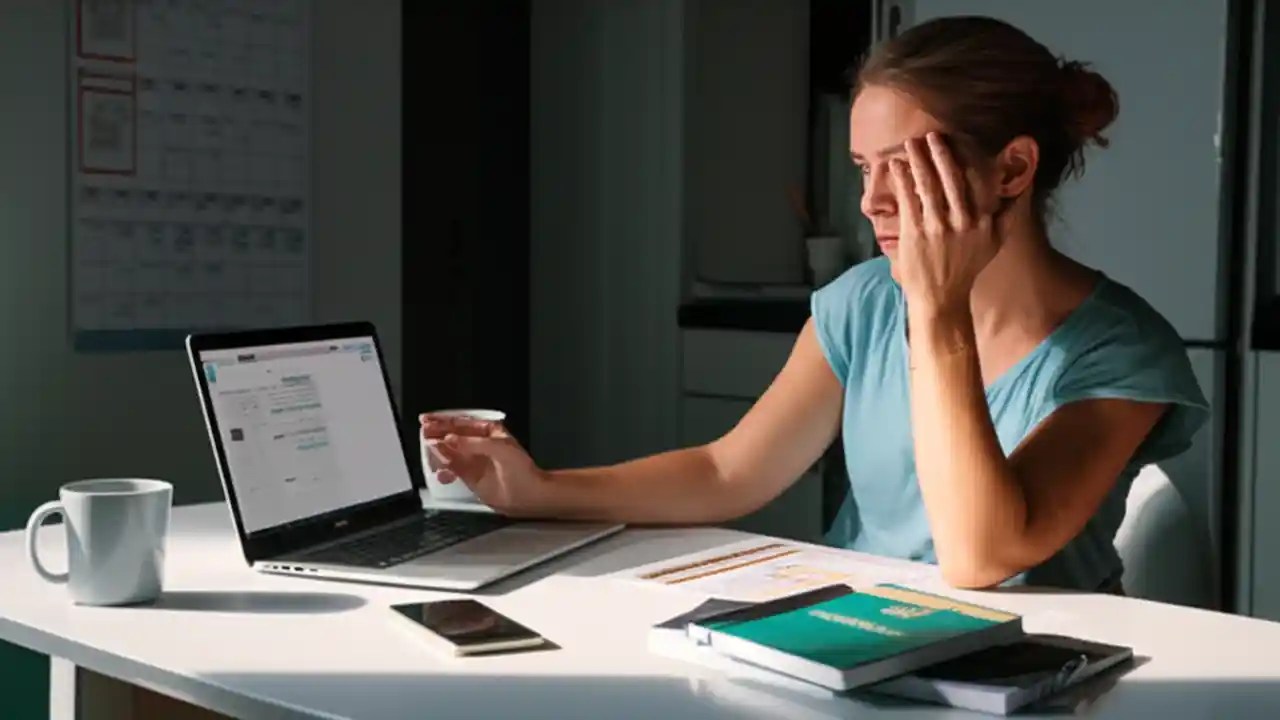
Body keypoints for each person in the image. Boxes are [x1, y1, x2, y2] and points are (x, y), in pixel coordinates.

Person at [421, 16, 1209, 592]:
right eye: (862, 168)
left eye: (903, 167)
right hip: (855, 639)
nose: (870, 202)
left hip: (1034, 672)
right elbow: (730, 470)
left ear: (1011, 170)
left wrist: (938, 314)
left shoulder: (1120, 351)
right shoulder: (862, 303)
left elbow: (979, 557)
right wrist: (540, 490)